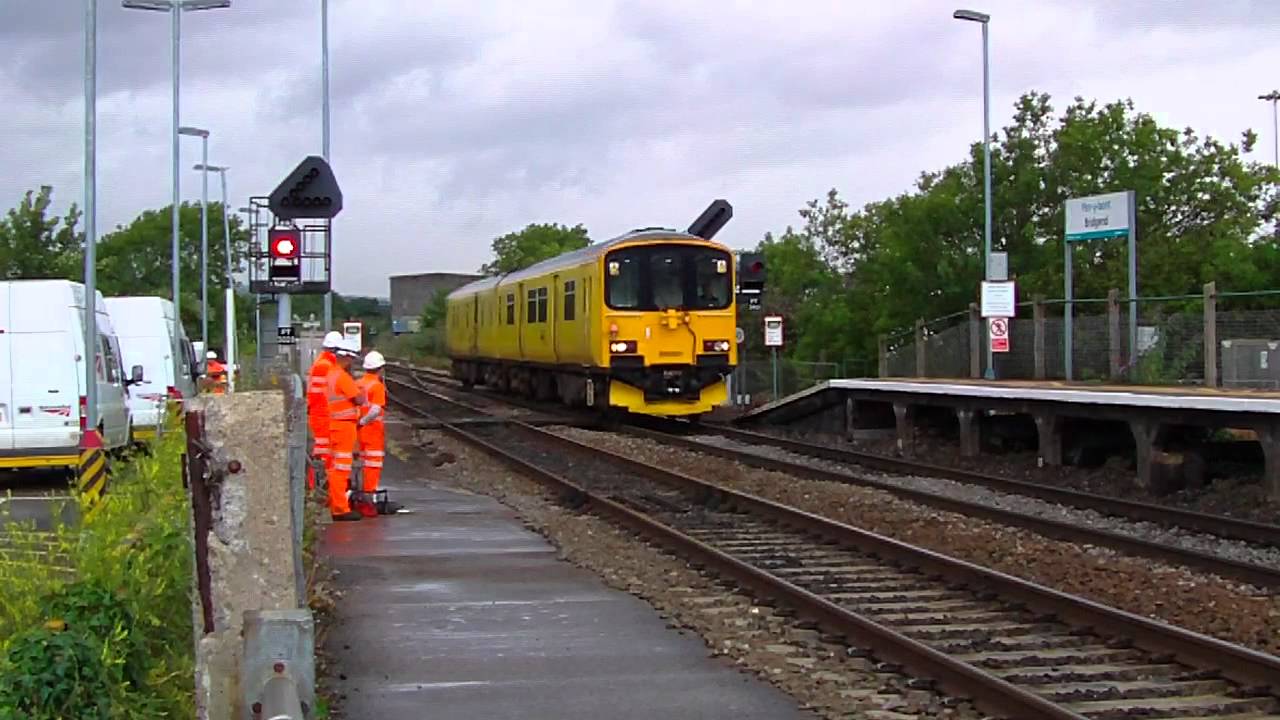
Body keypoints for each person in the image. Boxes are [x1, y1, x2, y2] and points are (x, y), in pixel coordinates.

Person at [325, 337, 367, 521]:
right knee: (341, 468)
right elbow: (359, 399)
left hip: (334, 424)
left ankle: (337, 504)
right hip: (343, 426)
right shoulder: (342, 376)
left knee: (336, 467)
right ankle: (340, 508)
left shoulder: (330, 374)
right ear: (347, 358)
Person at [306, 331, 343, 491]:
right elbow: (326, 393)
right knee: (324, 453)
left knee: (322, 452)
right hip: (323, 414)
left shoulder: (321, 363)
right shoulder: (326, 366)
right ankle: (321, 487)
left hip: (320, 413)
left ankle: (320, 486)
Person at [354, 350, 389, 516]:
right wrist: (364, 421)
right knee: (373, 463)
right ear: (380, 368)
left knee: (363, 462)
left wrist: (359, 422)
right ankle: (370, 494)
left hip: (359, 430)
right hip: (372, 429)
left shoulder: (359, 383)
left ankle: (362, 493)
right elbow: (375, 410)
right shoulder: (377, 386)